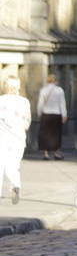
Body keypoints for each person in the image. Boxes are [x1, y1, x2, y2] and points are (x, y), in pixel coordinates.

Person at [0, 76, 32, 205]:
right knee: (13, 165)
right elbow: (27, 122)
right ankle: (15, 184)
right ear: (18, 86)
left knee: (1, 164)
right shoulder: (24, 102)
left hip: (2, 136)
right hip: (18, 137)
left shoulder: (1, 101)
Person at [36, 73, 68, 160]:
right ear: (55, 81)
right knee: (56, 134)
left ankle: (46, 154)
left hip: (46, 114)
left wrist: (39, 113)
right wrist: (64, 115)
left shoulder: (43, 90)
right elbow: (62, 103)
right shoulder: (59, 90)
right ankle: (56, 153)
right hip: (56, 114)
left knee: (45, 134)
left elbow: (40, 104)